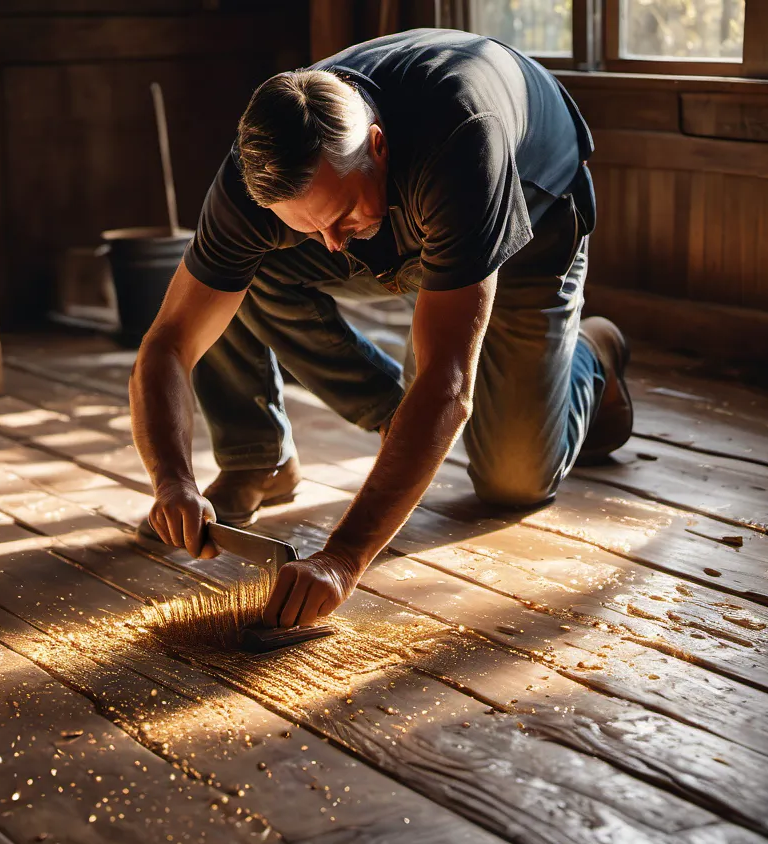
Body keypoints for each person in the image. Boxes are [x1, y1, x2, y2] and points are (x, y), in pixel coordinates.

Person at [129, 28, 632, 629]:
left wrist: (343, 557)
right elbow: (169, 342)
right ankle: (259, 454)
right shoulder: (256, 175)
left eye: (341, 215)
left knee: (514, 481)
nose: (331, 244)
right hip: (414, 216)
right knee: (241, 274)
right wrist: (171, 480)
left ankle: (592, 354)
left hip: (531, 215)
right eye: (309, 228)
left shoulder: (461, 139)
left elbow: (449, 384)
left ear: (377, 144)